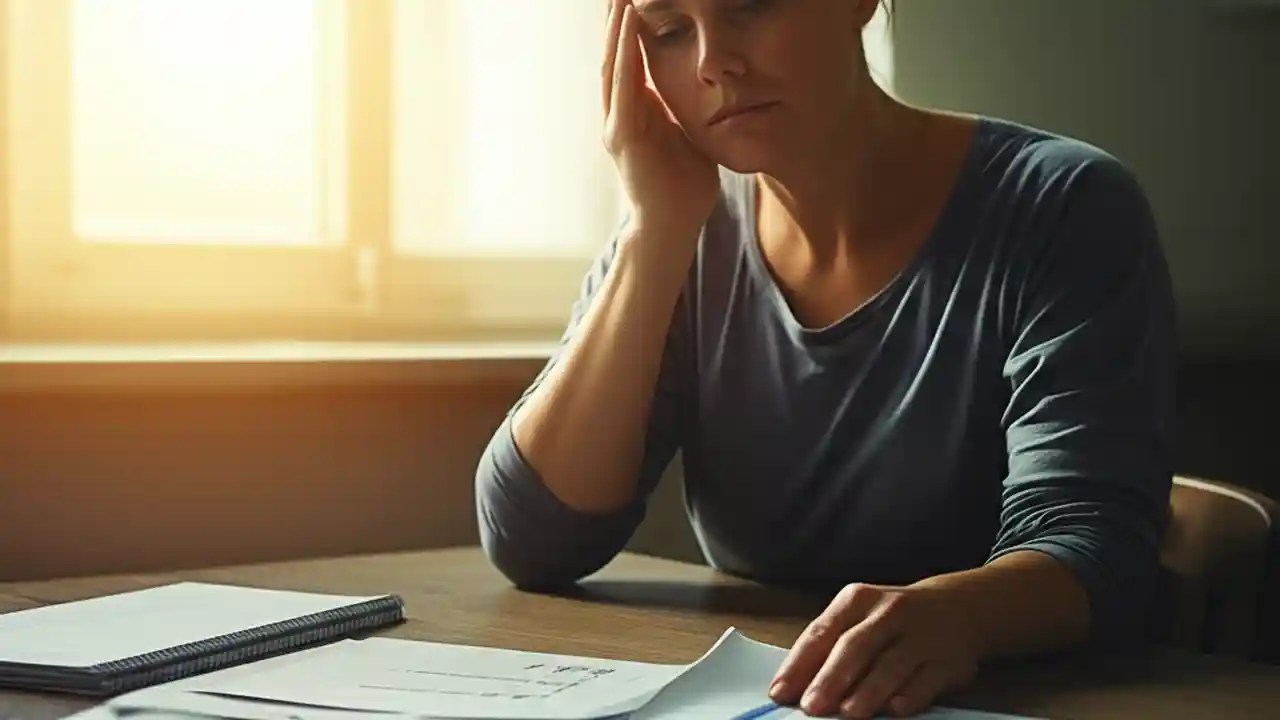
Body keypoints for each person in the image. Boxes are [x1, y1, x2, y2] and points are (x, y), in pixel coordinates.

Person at [474, 0, 1177, 717]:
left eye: (749, 6)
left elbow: (1097, 548)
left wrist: (959, 615)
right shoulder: (685, 230)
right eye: (669, 31)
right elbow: (532, 541)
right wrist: (655, 230)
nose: (713, 62)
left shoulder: (1064, 205)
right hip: (784, 702)